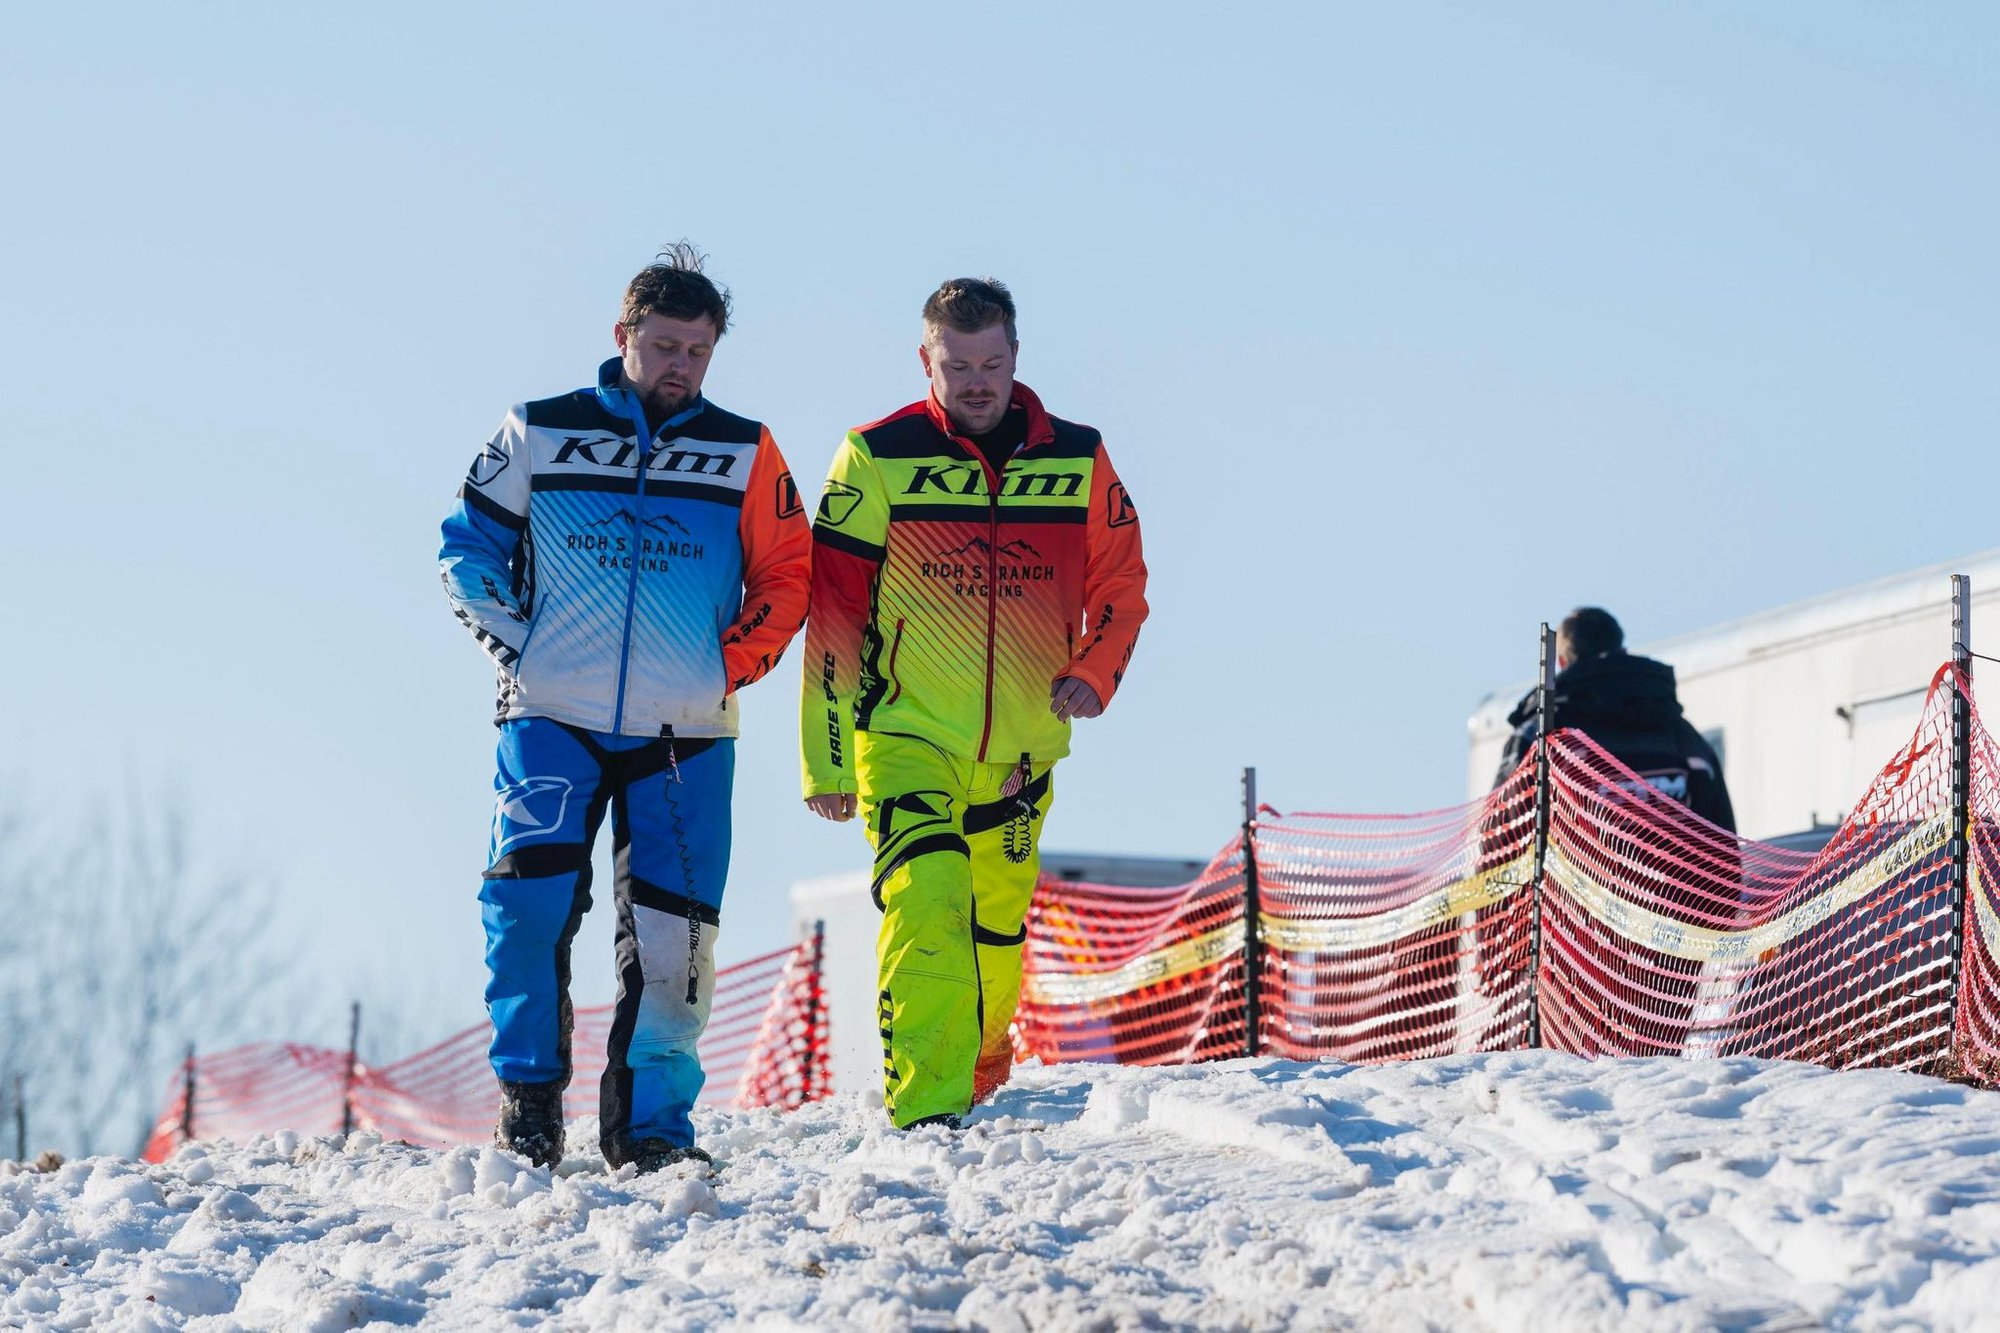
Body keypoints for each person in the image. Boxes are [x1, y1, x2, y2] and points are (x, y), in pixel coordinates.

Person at [439, 244, 810, 1171]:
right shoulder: (537, 429)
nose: (679, 363)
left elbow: (789, 572)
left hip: (686, 733)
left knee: (676, 937)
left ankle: (651, 1129)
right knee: (524, 911)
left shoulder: (748, 448)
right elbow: (463, 547)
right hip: (550, 718)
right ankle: (528, 1102)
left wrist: (731, 663)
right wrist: (518, 644)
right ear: (622, 337)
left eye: (698, 349)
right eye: (662, 344)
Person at [800, 277, 1149, 1129]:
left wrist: (1094, 671)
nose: (979, 381)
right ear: (927, 361)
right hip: (906, 732)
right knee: (928, 901)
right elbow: (835, 612)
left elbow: (1123, 582)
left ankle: (983, 1063)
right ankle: (926, 1109)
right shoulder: (875, 455)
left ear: (1017, 355)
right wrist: (828, 755)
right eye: (959, 366)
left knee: (995, 928)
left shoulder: (1079, 456)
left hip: (1023, 749)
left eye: (993, 362)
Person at [1495, 607, 1735, 830]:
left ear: (1562, 662)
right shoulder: (1680, 734)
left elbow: (1498, 835)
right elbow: (1723, 842)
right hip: (1675, 875)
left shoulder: (1541, 734)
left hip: (1576, 875)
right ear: (1624, 652)